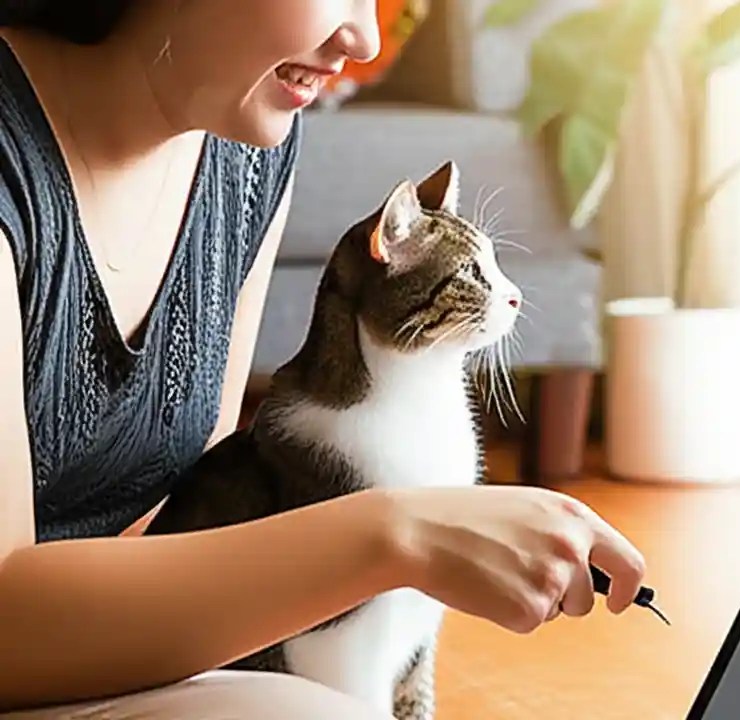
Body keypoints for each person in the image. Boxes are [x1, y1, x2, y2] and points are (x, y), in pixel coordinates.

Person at [0, 1, 647, 717]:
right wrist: (400, 534)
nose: (365, 40)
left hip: (106, 659)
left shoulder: (245, 147)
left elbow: (182, 509)